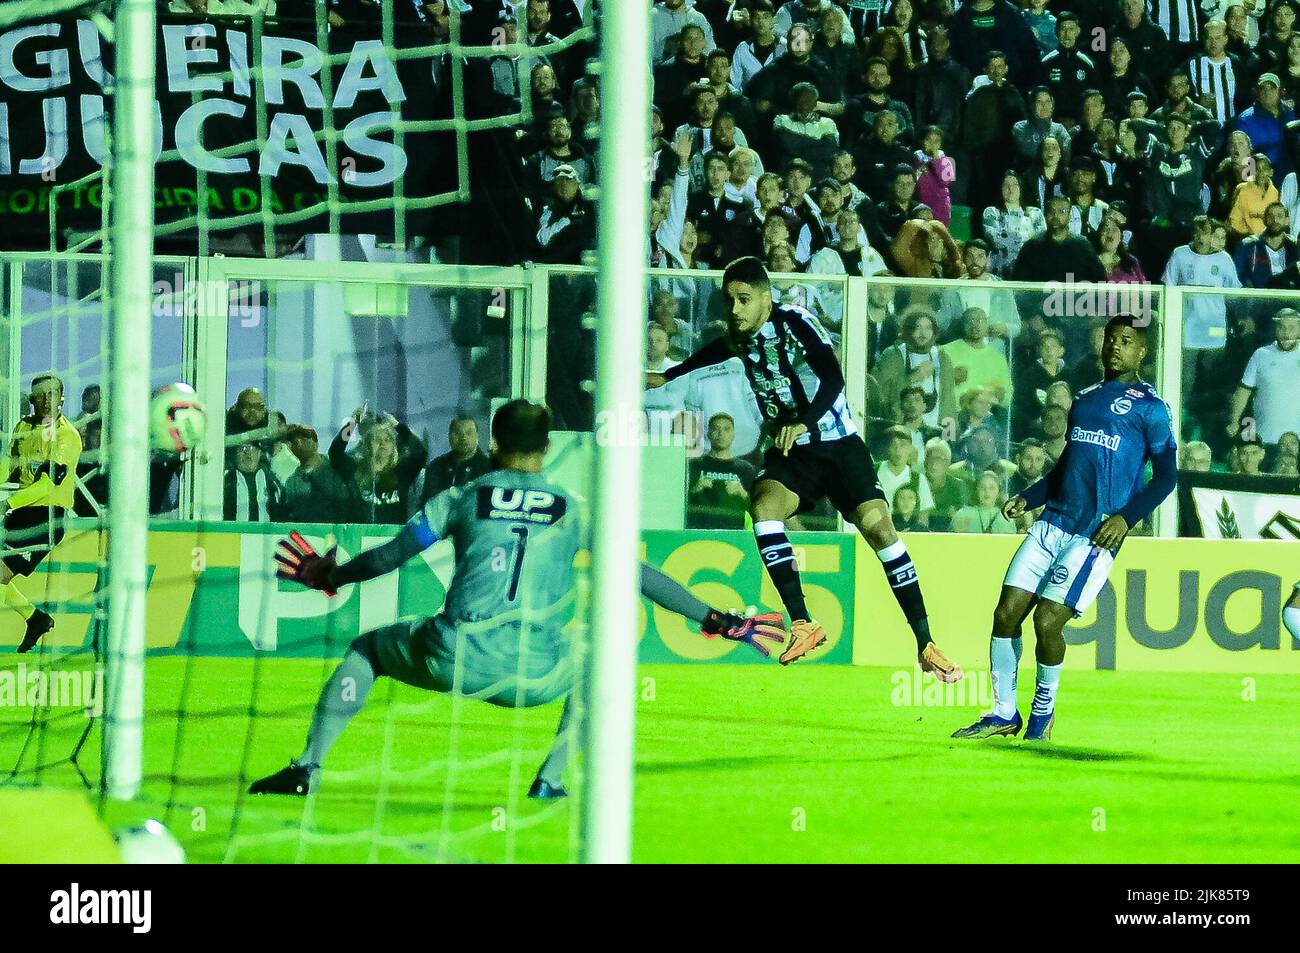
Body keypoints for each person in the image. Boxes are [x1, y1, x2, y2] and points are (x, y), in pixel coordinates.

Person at [250, 400, 784, 799]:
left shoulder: (461, 497)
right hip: (536, 672)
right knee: (600, 664)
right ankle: (551, 781)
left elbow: (391, 556)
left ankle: (307, 769)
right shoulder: (572, 508)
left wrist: (333, 575)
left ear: (495, 443)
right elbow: (637, 574)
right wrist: (715, 618)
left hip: (452, 655)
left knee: (366, 651)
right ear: (546, 447)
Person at [648, 257, 962, 679]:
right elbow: (717, 350)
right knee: (762, 510)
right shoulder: (740, 336)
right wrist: (671, 374)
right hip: (791, 453)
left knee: (880, 531)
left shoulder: (795, 321)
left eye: (744, 300)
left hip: (836, 446)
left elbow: (833, 379)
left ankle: (926, 644)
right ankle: (803, 623)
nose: (735, 309)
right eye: (729, 301)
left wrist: (803, 421)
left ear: (765, 297)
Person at [953, 316, 1178, 743]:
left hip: (1094, 534)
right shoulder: (1085, 398)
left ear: (1141, 352)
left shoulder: (1151, 407)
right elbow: (1067, 468)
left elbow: (1166, 477)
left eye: (1126, 341)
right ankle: (1003, 713)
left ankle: (1042, 713)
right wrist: (1031, 495)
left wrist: (1126, 517)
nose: (1116, 346)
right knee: (1004, 615)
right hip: (1052, 522)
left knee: (1047, 621)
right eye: (1111, 339)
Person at [2, 374, 82, 653]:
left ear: (62, 398)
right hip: (21, 513)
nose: (47, 400)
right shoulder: (23, 426)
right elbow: (7, 467)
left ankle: (35, 619)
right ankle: (36, 619)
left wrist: (7, 503)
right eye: (41, 395)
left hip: (46, 517)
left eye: (53, 394)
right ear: (32, 398)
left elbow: (47, 485)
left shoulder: (68, 437)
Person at [1226, 308, 1300, 453]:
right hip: (1265, 439)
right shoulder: (1260, 355)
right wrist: (1234, 421)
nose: (1286, 333)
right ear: (1275, 329)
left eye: (1291, 327)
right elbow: (1243, 391)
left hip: (1297, 441)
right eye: (1281, 327)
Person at [687, 413, 758, 529]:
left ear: (733, 434)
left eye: (726, 429)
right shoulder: (694, 465)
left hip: (735, 534)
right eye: (716, 429)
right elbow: (676, 504)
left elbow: (759, 506)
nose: (721, 434)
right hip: (698, 532)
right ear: (708, 433)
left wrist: (742, 493)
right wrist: (695, 490)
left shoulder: (746, 469)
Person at [418, 415, 493, 506]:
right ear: (449, 436)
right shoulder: (436, 467)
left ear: (477, 436)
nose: (463, 438)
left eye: (469, 433)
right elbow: (426, 504)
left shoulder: (491, 469)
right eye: (457, 432)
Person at [223, 442, 283, 522]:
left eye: (253, 448)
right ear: (234, 454)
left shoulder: (271, 482)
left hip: (264, 533)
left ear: (259, 453)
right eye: (243, 449)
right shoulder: (225, 481)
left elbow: (281, 514)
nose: (248, 454)